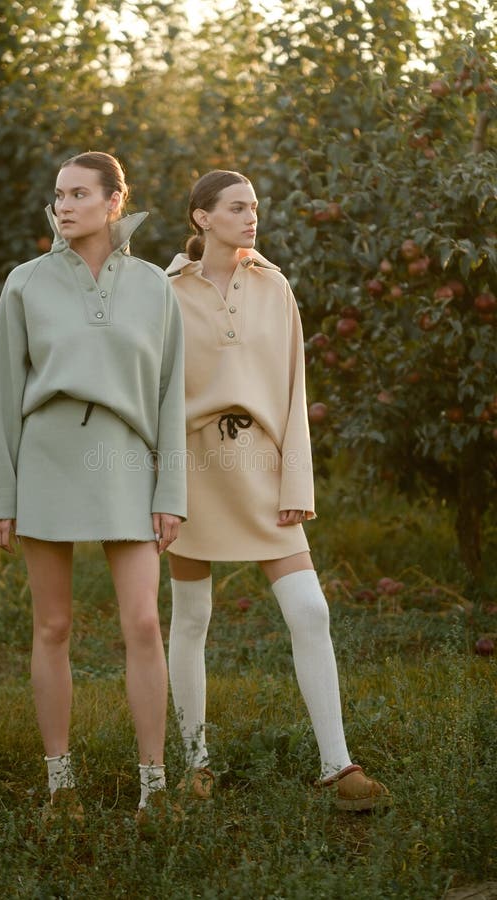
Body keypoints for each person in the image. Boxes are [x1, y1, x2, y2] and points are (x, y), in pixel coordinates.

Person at [165, 169, 390, 812]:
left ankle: (338, 765)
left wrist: (297, 478)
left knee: (310, 610)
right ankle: (196, 764)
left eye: (256, 208)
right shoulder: (163, 290)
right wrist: (162, 485)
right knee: (192, 618)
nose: (252, 217)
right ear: (203, 217)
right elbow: (153, 394)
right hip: (193, 468)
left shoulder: (275, 285)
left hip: (263, 467)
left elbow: (294, 390)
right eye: (238, 208)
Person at [0, 151, 186, 827]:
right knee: (53, 624)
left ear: (113, 202)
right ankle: (60, 787)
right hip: (46, 460)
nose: (63, 205)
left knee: (144, 622)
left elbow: (168, 396)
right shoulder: (25, 284)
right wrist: (0, 497)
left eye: (78, 194)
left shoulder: (155, 287)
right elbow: (4, 396)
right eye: (58, 195)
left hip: (125, 461)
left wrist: (171, 493)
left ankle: (155, 788)